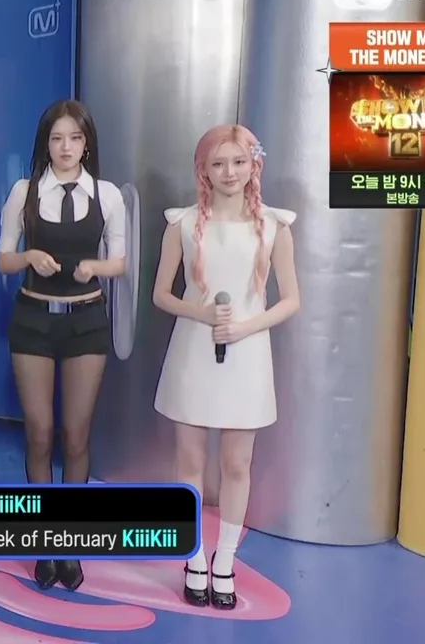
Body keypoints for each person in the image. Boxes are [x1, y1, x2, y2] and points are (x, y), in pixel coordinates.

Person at [151, 125, 299, 610]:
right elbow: (161, 294)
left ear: (254, 164)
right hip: (194, 351)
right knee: (190, 462)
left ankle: (225, 560)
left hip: (248, 355)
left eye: (238, 162)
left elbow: (291, 299)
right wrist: (200, 313)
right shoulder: (182, 223)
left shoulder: (275, 226)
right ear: (204, 169)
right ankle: (193, 554)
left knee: (237, 464)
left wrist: (246, 326)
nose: (229, 172)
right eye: (218, 163)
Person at [0, 99, 126, 591]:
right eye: (56, 138)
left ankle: (68, 542)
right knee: (38, 434)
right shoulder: (24, 192)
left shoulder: (107, 195)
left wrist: (96, 267)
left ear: (86, 143)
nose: (65, 147)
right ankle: (43, 539)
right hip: (33, 319)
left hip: (86, 321)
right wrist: (29, 256)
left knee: (75, 435)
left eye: (74, 138)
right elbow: (3, 260)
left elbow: (120, 262)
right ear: (45, 144)